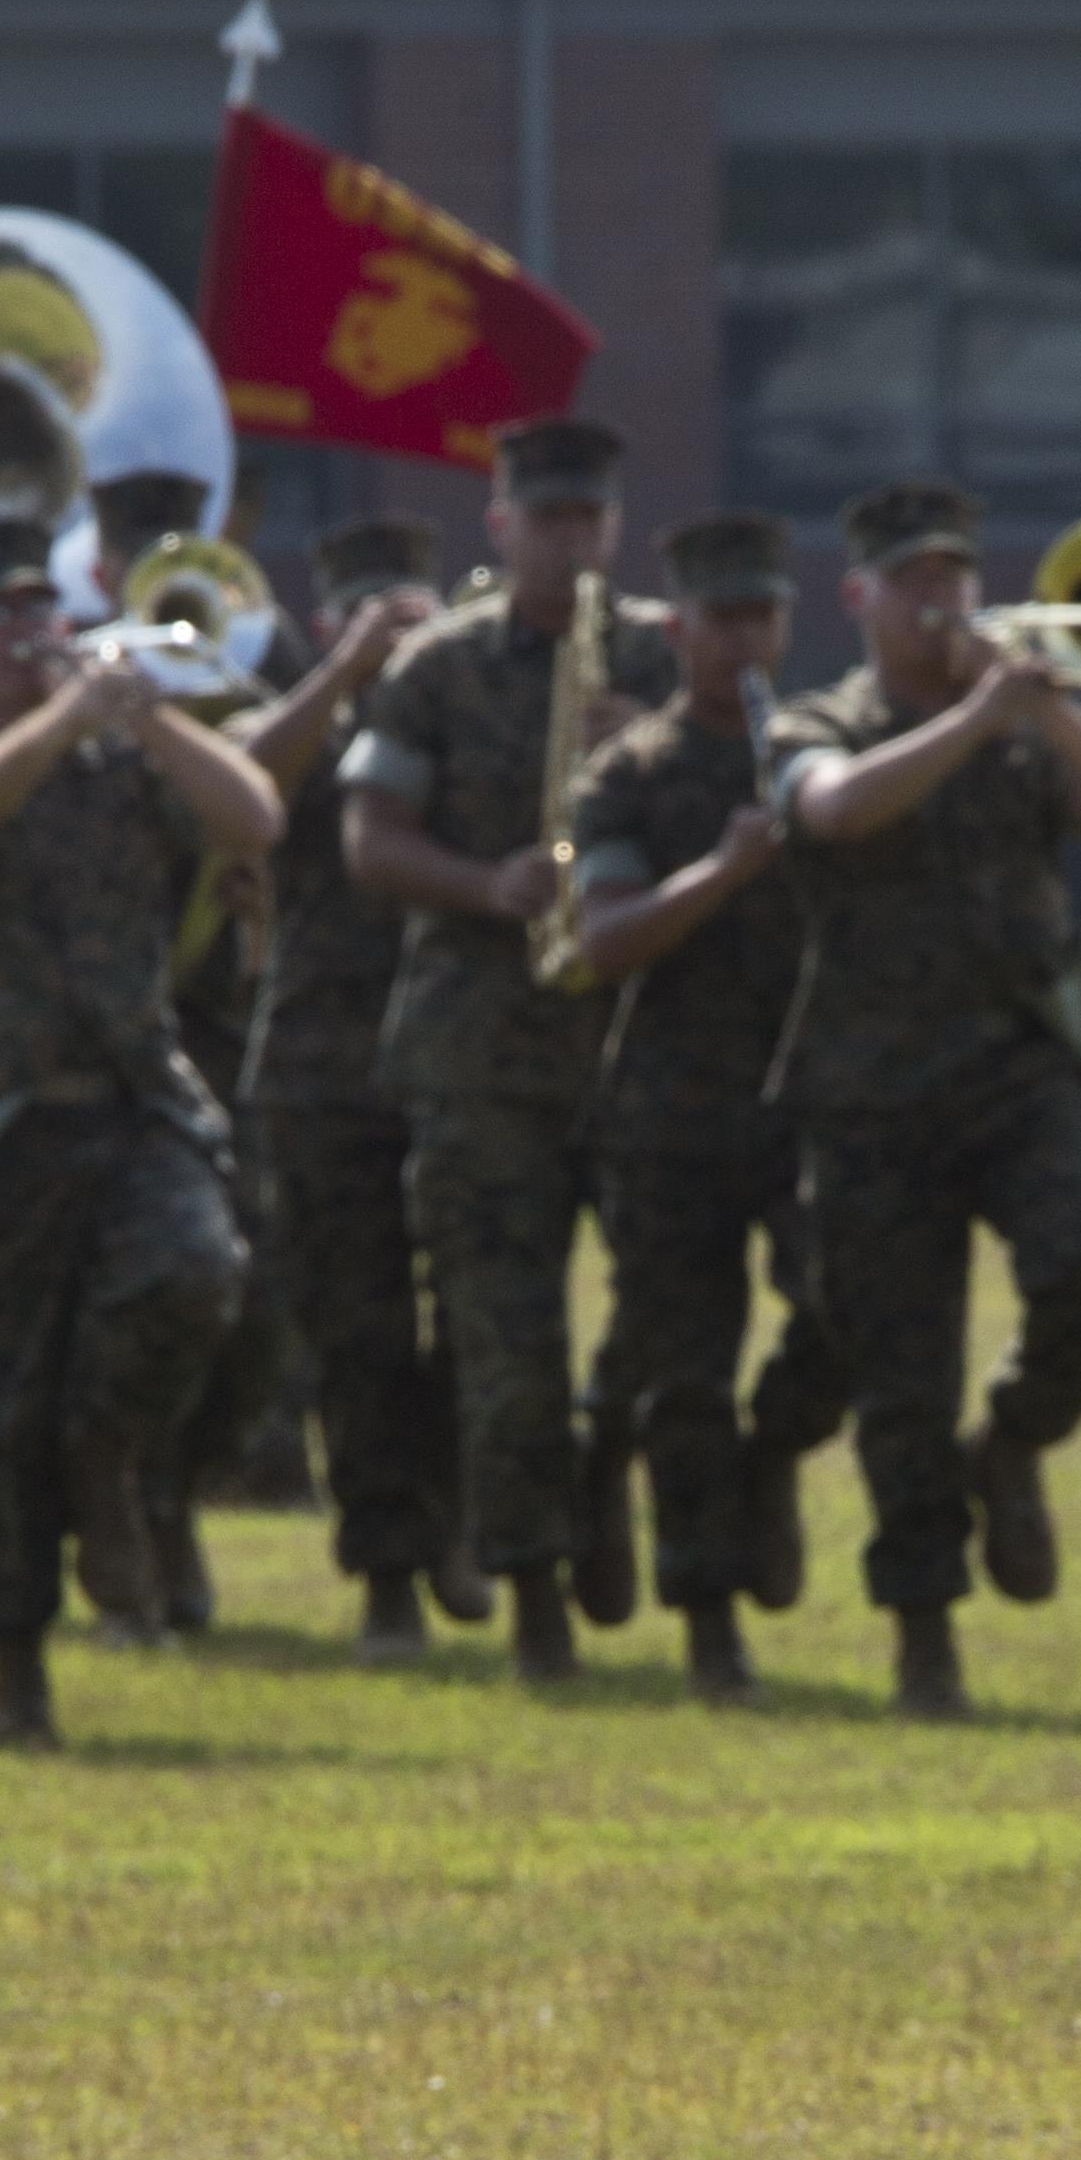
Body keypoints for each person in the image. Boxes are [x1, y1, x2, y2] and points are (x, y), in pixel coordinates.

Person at [0, 515, 280, 1743]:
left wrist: (150, 717)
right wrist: (57, 724)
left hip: (135, 1108)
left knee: (194, 1270)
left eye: (35, 610)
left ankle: (111, 1461)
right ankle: (18, 1678)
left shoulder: (127, 764)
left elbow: (256, 820)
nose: (26, 633)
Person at [773, 478, 1081, 1716]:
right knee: (900, 1380)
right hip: (872, 1097)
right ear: (860, 598)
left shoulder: (1024, 727)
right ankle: (925, 1637)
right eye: (913, 583)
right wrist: (974, 719)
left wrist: (1043, 710)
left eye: (954, 577)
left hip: (1017, 1074)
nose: (939, 601)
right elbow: (835, 810)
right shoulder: (815, 724)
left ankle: (1012, 1441)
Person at [342, 418, 679, 1685]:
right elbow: (371, 842)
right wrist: (489, 885)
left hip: (638, 1047)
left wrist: (649, 750)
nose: (573, 544)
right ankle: (535, 1594)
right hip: (479, 1045)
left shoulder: (661, 657)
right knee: (502, 1334)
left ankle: (602, 1467)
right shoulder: (435, 666)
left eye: (591, 521)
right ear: (503, 526)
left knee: (666, 1314)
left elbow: (745, 824)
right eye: (550, 522)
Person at [559, 509, 852, 1702]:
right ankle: (709, 1618)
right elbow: (605, 941)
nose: (746, 643)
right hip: (672, 1112)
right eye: (723, 621)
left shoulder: (826, 754)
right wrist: (724, 872)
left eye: (762, 618)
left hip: (812, 1102)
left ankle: (771, 1454)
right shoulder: (628, 774)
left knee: (852, 1304)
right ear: (678, 631)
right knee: (685, 1372)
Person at [239, 517, 469, 1656]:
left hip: (463, 1057)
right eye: (363, 615)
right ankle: (387, 1574)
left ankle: (458, 1512)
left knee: (476, 1311)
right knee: (356, 1328)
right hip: (324, 1070)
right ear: (326, 623)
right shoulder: (303, 720)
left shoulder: (464, 713)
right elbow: (245, 788)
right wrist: (341, 674)